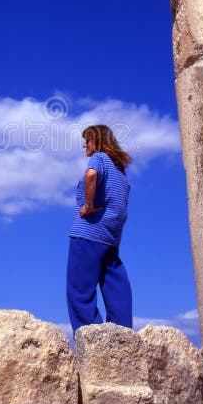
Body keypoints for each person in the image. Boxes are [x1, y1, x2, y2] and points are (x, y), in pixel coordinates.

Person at [67, 124, 132, 332]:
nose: (84, 144)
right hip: (111, 237)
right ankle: (122, 336)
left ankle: (93, 339)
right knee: (115, 285)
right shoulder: (120, 171)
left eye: (88, 139)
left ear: (99, 141)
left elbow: (91, 175)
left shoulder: (100, 158)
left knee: (79, 291)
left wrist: (88, 205)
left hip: (88, 234)